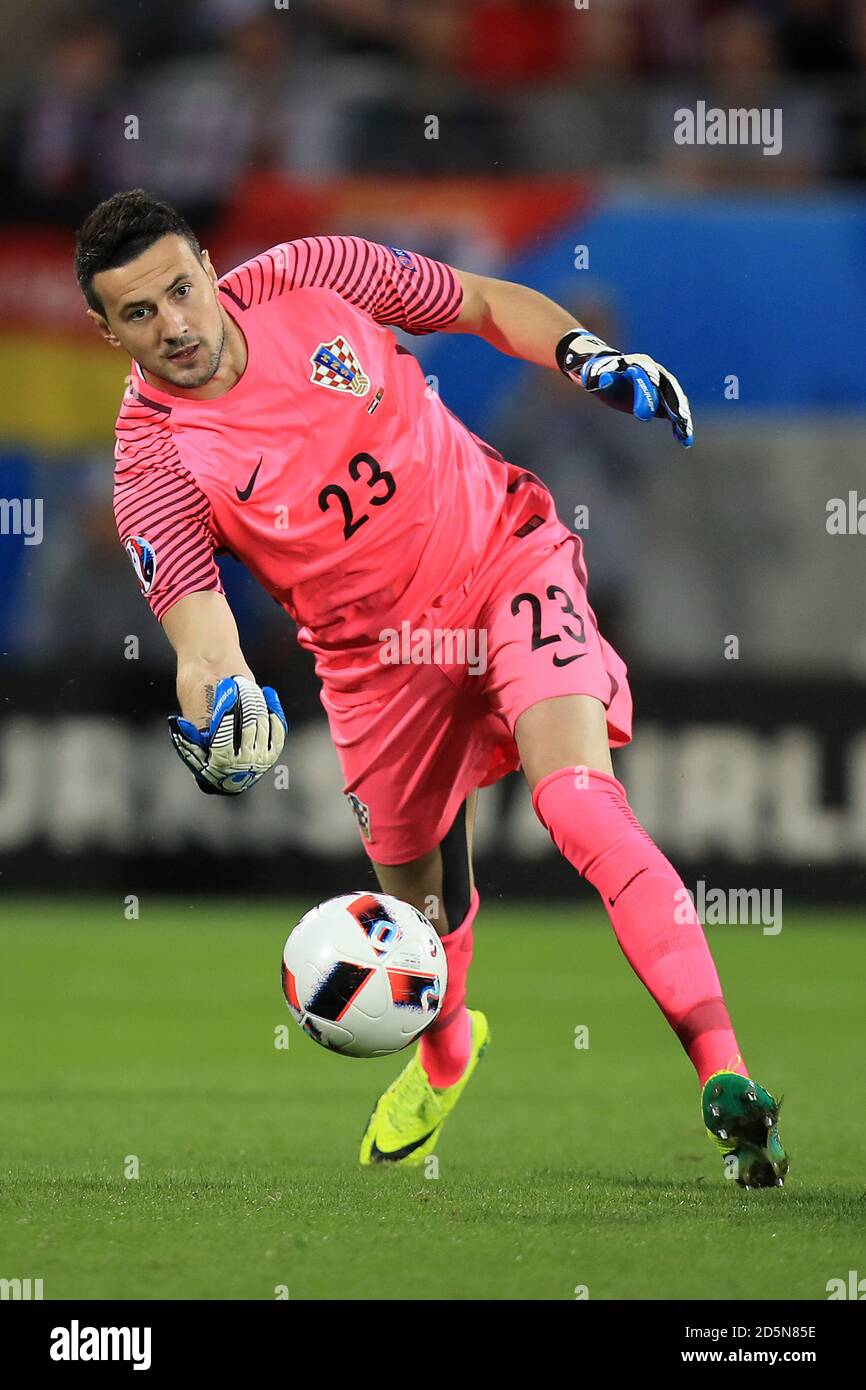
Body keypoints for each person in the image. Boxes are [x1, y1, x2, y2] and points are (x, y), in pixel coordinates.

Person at [74, 188, 787, 1187]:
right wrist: (220, 712)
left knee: (578, 802)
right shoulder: (154, 461)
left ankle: (726, 1079)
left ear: (206, 264)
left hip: (504, 559)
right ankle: (448, 1051)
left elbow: (484, 303)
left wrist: (587, 355)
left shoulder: (309, 276)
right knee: (414, 928)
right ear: (104, 331)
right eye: (139, 314)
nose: (175, 326)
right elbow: (203, 641)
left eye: (181, 290)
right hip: (374, 667)